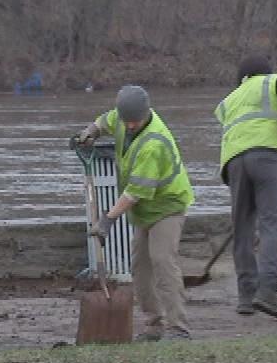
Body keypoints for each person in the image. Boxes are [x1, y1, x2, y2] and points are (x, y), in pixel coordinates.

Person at [74, 85, 196, 341]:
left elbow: (135, 192)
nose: (130, 126)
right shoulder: (120, 118)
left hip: (168, 205)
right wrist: (91, 132)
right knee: (139, 268)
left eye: (135, 121)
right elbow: (104, 121)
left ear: (146, 113)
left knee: (162, 261)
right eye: (126, 121)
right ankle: (154, 324)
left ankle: (178, 328)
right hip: (145, 210)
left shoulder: (154, 142)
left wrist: (108, 219)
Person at [215, 53, 277, 319]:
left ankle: (246, 295)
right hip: (268, 157)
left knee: (242, 229)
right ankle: (267, 291)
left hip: (233, 161)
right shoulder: (274, 81)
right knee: (272, 224)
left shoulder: (230, 99)